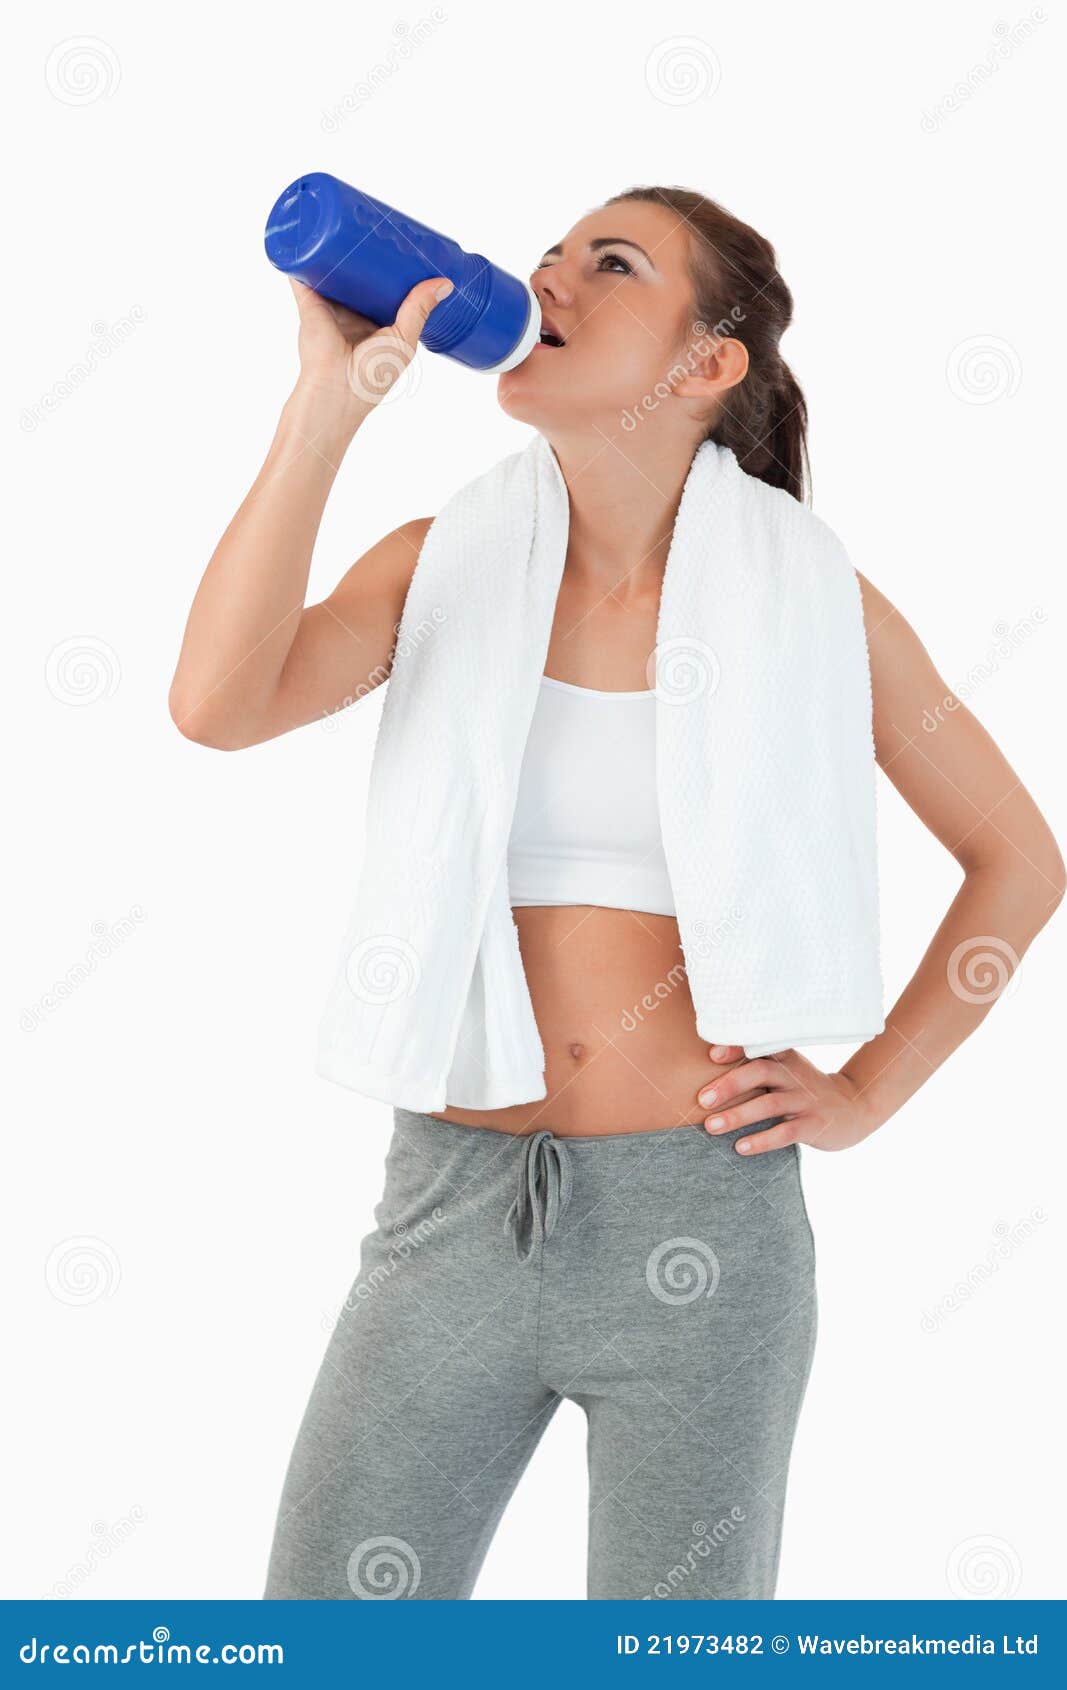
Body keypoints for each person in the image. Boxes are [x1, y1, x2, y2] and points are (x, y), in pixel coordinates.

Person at [169, 186, 1063, 1600]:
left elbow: (1021, 860)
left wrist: (870, 1089)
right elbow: (218, 704)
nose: (552, 276)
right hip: (451, 1211)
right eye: (550, 256)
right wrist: (325, 410)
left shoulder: (816, 600)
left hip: (701, 1226)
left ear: (708, 365)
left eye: (614, 264)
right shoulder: (436, 567)